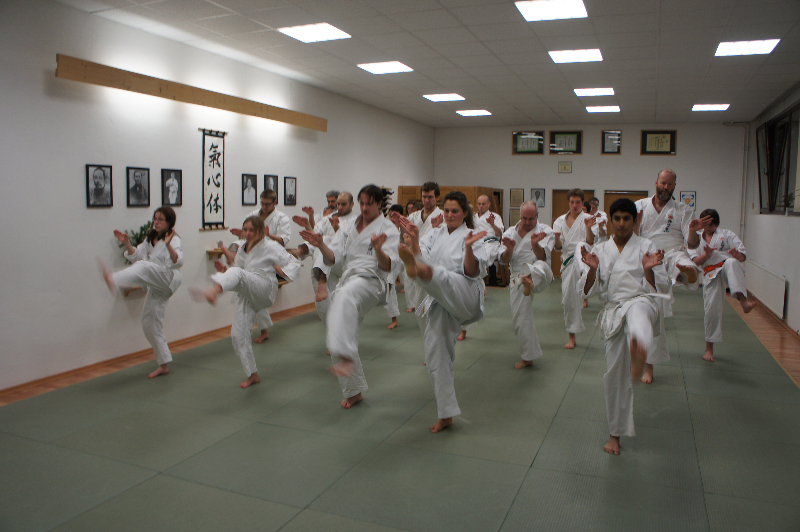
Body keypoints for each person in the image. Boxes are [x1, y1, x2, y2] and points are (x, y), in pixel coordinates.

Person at [579, 198, 669, 455]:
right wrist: (593, 271)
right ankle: (614, 435)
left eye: (626, 218)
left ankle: (640, 345)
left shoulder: (647, 246)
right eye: (616, 218)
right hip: (614, 309)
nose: (621, 223)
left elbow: (659, 287)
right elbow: (588, 292)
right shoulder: (601, 250)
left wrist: (649, 270)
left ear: (635, 220)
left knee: (638, 313)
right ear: (610, 220)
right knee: (614, 375)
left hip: (642, 301)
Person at [300, 184, 399, 409]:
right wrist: (320, 244)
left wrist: (378, 249)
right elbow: (333, 257)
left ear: (379, 204)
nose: (364, 208)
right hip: (349, 278)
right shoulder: (347, 226)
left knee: (343, 295)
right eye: (362, 203)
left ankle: (346, 356)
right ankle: (353, 391)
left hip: (372, 281)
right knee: (336, 319)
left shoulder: (388, 228)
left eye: (369, 204)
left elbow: (388, 265)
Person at [397, 191, 487, 433]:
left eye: (455, 211)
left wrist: (468, 248)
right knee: (435, 350)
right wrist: (414, 241)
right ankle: (446, 413)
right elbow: (421, 250)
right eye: (446, 210)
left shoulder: (472, 235)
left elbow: (471, 272)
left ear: (465, 213)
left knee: (441, 275)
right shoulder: (435, 234)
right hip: (440, 299)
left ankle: (419, 271)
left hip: (465, 291)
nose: (449, 215)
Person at [191, 215, 301, 388]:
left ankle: (213, 292)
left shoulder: (271, 246)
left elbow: (293, 262)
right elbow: (238, 269)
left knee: (238, 274)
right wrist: (226, 270)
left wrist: (283, 272)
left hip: (264, 287)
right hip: (249, 289)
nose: (248, 233)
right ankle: (253, 374)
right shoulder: (243, 248)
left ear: (260, 232)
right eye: (245, 230)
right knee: (238, 335)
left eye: (252, 230)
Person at [634, 169, 710, 383]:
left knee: (682, 261)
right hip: (649, 257)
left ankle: (689, 275)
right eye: (663, 183)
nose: (665, 187)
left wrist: (694, 231)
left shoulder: (683, 209)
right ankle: (649, 368)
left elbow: (692, 244)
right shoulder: (640, 205)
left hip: (674, 251)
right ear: (656, 182)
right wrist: (637, 224)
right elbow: (631, 237)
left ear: (674, 186)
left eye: (670, 184)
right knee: (652, 314)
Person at [99, 207, 183, 379]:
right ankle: (163, 364)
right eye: (155, 218)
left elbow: (177, 261)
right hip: (155, 281)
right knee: (149, 323)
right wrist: (126, 243)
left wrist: (167, 245)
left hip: (168, 277)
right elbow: (137, 256)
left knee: (144, 267)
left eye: (161, 219)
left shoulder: (174, 240)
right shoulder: (149, 239)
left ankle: (112, 278)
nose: (157, 222)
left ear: (169, 223)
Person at [219, 189, 291, 343]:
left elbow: (284, 241)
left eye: (268, 204)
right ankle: (230, 259)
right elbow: (246, 235)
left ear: (275, 202)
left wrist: (266, 235)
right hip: (250, 252)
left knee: (253, 293)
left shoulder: (282, 218)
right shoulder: (252, 215)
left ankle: (258, 330)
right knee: (252, 293)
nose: (264, 207)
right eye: (262, 203)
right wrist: (243, 233)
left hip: (268, 257)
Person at [688, 209, 757, 362]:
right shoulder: (696, 239)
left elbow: (742, 255)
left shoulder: (727, 234)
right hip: (710, 273)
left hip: (726, 267)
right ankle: (709, 349)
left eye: (712, 224)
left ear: (717, 224)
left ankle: (743, 301)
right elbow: (694, 262)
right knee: (711, 310)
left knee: (732, 262)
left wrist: (736, 255)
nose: (708, 227)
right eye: (705, 224)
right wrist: (706, 255)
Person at [498, 201, 555, 369]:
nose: (528, 222)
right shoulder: (510, 232)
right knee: (520, 318)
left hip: (541, 272)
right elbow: (504, 260)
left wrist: (535, 244)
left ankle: (530, 281)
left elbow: (543, 257)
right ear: (520, 216)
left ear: (537, 216)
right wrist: (509, 249)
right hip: (518, 278)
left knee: (536, 267)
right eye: (524, 218)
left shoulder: (545, 231)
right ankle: (528, 356)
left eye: (532, 218)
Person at [292, 192, 357, 321]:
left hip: (342, 261)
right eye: (338, 204)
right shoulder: (329, 217)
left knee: (326, 240)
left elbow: (350, 241)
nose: (339, 206)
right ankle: (298, 253)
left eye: (343, 204)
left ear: (352, 204)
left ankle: (322, 280)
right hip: (325, 261)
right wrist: (307, 225)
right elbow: (315, 234)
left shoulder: (355, 220)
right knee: (317, 240)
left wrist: (337, 228)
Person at [553, 188, 595, 349]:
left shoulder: (588, 219)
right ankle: (572, 336)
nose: (575, 205)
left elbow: (590, 242)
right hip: (568, 261)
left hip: (583, 258)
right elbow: (559, 247)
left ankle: (587, 291)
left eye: (578, 202)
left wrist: (589, 227)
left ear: (583, 203)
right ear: (568, 202)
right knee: (568, 300)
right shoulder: (559, 221)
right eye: (572, 202)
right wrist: (556, 238)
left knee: (579, 291)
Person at [406, 182, 444, 317]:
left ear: (437, 197)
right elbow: (405, 237)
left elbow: (443, 242)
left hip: (432, 263)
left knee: (434, 302)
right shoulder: (413, 217)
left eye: (430, 197)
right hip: (415, 260)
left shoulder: (443, 217)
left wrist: (435, 229)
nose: (426, 200)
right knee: (419, 299)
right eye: (424, 197)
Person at [384, 204, 406, 330]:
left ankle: (394, 319)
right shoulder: (385, 227)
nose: (392, 216)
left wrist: (400, 224)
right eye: (390, 214)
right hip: (387, 259)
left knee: (390, 284)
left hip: (398, 260)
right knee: (388, 286)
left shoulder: (402, 228)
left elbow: (404, 238)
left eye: (395, 214)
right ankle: (394, 318)